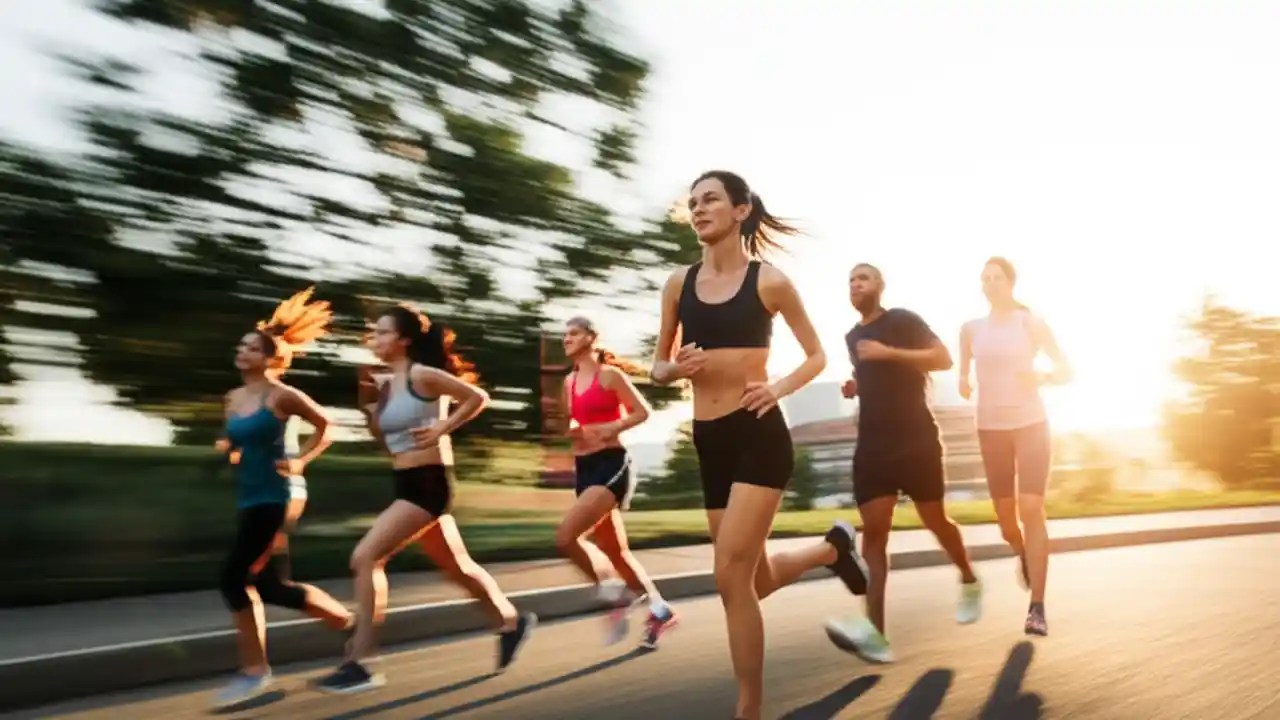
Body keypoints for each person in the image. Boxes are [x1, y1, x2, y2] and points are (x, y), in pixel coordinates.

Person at [650, 170, 869, 720]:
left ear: (741, 210)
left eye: (711, 200)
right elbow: (656, 367)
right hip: (710, 440)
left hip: (757, 435)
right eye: (693, 202)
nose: (698, 210)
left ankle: (749, 710)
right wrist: (676, 367)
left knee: (729, 577)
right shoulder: (678, 284)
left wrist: (777, 388)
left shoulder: (767, 282)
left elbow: (817, 355)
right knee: (751, 577)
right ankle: (832, 550)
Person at [314, 304, 535, 694]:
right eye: (375, 333)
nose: (375, 339)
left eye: (383, 332)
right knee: (457, 568)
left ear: (403, 339)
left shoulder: (421, 375)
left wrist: (443, 429)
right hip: (405, 482)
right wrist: (369, 410)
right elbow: (389, 445)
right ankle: (511, 621)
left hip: (430, 485)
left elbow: (476, 397)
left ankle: (363, 661)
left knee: (365, 557)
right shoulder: (385, 385)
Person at [824, 263, 983, 664]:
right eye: (850, 281)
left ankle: (968, 578)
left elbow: (943, 359)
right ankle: (876, 634)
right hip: (874, 445)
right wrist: (856, 384)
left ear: (880, 286)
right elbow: (876, 376)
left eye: (863, 278)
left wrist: (888, 352)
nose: (855, 284)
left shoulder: (903, 320)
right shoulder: (853, 336)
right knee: (874, 538)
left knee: (936, 522)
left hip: (916, 441)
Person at [213, 287, 354, 710]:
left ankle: (254, 672)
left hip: (280, 494)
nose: (242, 351)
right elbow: (234, 439)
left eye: (251, 347)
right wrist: (229, 449)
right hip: (249, 495)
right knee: (271, 585)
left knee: (232, 576)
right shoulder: (233, 399)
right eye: (241, 345)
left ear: (269, 357)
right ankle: (349, 623)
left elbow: (326, 424)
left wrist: (302, 460)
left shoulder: (281, 395)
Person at [959, 256, 1072, 636]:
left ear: (1011, 283)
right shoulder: (970, 330)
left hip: (1031, 424)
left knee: (1031, 507)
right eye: (985, 278)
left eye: (997, 277)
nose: (990, 283)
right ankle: (1022, 551)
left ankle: (1036, 607)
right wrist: (963, 382)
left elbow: (1067, 371)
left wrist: (1040, 375)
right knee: (1007, 521)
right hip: (990, 429)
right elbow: (963, 374)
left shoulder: (1031, 322)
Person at [556, 316, 677, 649]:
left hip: (612, 465)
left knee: (566, 537)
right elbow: (574, 423)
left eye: (574, 333)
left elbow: (642, 411)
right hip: (585, 466)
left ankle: (616, 596)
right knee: (616, 553)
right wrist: (573, 432)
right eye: (564, 334)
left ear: (591, 338)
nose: (566, 338)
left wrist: (613, 428)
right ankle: (659, 611)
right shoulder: (569, 382)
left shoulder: (610, 376)